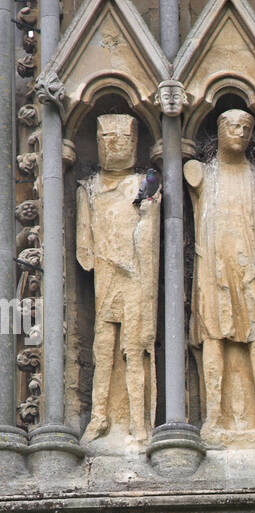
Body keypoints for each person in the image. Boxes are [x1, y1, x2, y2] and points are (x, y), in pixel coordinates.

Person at [185, 110, 255, 441]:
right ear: (219, 131)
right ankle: (214, 415)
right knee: (214, 334)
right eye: (232, 126)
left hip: (248, 269)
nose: (239, 132)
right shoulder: (199, 174)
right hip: (212, 269)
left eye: (246, 128)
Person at [76, 115, 159, 442]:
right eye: (107, 138)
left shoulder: (144, 182)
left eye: (121, 139)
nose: (113, 144)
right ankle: (99, 417)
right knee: (103, 349)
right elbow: (85, 247)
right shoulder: (89, 188)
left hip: (135, 278)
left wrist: (148, 216)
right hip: (106, 280)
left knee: (134, 350)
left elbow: (149, 234)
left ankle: (139, 421)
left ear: (134, 143)